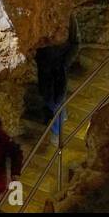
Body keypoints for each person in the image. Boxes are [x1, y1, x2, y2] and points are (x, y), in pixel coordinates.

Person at [35, 15, 81, 146]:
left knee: (57, 99)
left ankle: (57, 129)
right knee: (47, 95)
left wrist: (65, 61)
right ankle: (60, 116)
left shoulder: (69, 16)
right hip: (46, 62)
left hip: (58, 63)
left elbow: (76, 41)